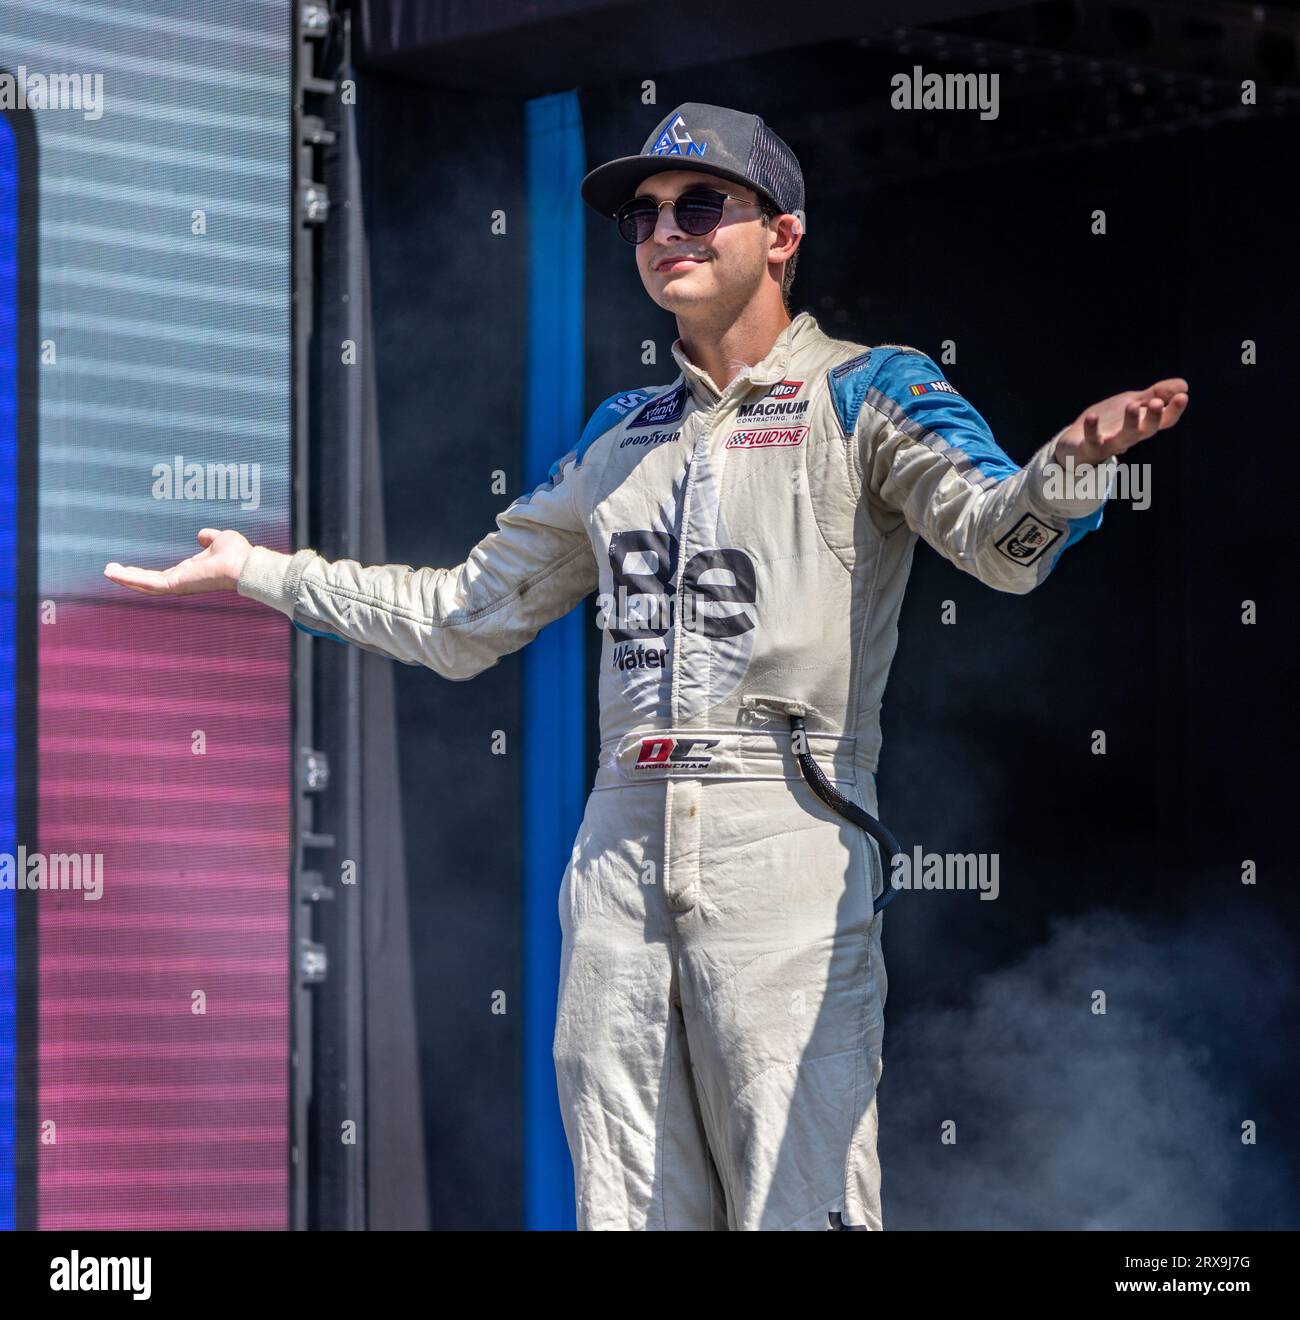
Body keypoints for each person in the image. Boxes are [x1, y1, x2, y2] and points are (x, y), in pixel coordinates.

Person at [104, 101, 1189, 1231]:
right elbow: (461, 618)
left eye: (700, 204)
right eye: (643, 214)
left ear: (781, 234)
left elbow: (998, 545)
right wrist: (260, 574)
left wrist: (1067, 469)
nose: (666, 230)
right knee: (623, 1210)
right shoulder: (620, 432)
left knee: (799, 1199)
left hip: (787, 822)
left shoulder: (871, 386)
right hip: (618, 842)